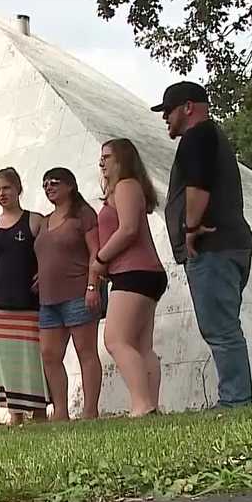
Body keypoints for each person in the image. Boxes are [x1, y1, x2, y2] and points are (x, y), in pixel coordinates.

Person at [152, 81, 252, 408]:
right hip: (233, 243)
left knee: (221, 329)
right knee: (224, 326)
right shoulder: (213, 137)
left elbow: (198, 185)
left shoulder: (197, 136)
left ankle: (235, 402)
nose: (165, 117)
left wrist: (191, 228)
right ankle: (235, 398)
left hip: (214, 246)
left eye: (168, 110)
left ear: (187, 107)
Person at [90, 138, 167, 416]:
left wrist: (100, 260)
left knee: (116, 340)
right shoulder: (126, 188)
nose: (102, 162)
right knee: (141, 345)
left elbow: (128, 229)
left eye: (108, 157)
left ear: (122, 159)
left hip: (133, 272)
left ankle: (141, 404)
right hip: (144, 273)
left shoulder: (126, 186)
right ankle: (149, 405)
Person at [0, 167, 51, 425]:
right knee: (6, 361)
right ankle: (15, 414)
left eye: (6, 187)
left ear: (18, 188)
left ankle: (39, 412)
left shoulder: (35, 221)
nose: (1, 193)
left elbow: (52, 252)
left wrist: (45, 271)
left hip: (29, 306)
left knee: (33, 360)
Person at [33, 167, 106, 421]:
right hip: (48, 300)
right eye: (45, 184)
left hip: (78, 293)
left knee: (85, 351)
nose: (49, 187)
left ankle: (90, 411)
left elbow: (95, 253)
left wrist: (92, 286)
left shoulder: (83, 215)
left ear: (70, 186)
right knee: (50, 354)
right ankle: (61, 412)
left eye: (54, 182)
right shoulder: (44, 221)